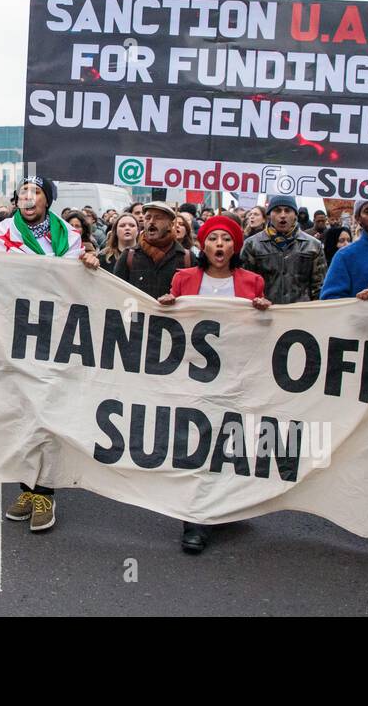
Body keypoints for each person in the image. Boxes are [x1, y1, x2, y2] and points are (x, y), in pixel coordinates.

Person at [0, 175, 87, 532]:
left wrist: (90, 267)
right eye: (22, 193)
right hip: (13, 331)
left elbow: (73, 282)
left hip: (54, 332)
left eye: (35, 193)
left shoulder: (69, 236)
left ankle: (46, 492)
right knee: (20, 412)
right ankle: (26, 488)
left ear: (48, 200)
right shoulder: (0, 231)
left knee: (47, 411)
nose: (28, 198)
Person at [159, 215, 270, 553]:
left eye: (226, 239)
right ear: (202, 245)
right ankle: (195, 521)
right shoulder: (184, 278)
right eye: (213, 239)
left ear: (235, 246)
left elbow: (264, 333)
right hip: (193, 376)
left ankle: (222, 504)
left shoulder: (252, 282)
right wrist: (166, 306)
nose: (219, 245)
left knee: (227, 443)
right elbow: (171, 328)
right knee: (197, 442)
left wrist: (265, 312)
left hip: (236, 376)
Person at [240, 194, 326, 304]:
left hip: (301, 314)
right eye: (277, 210)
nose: (283, 215)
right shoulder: (252, 244)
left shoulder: (313, 245)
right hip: (265, 314)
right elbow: (246, 284)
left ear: (295, 215)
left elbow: (319, 287)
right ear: (269, 215)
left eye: (288, 210)